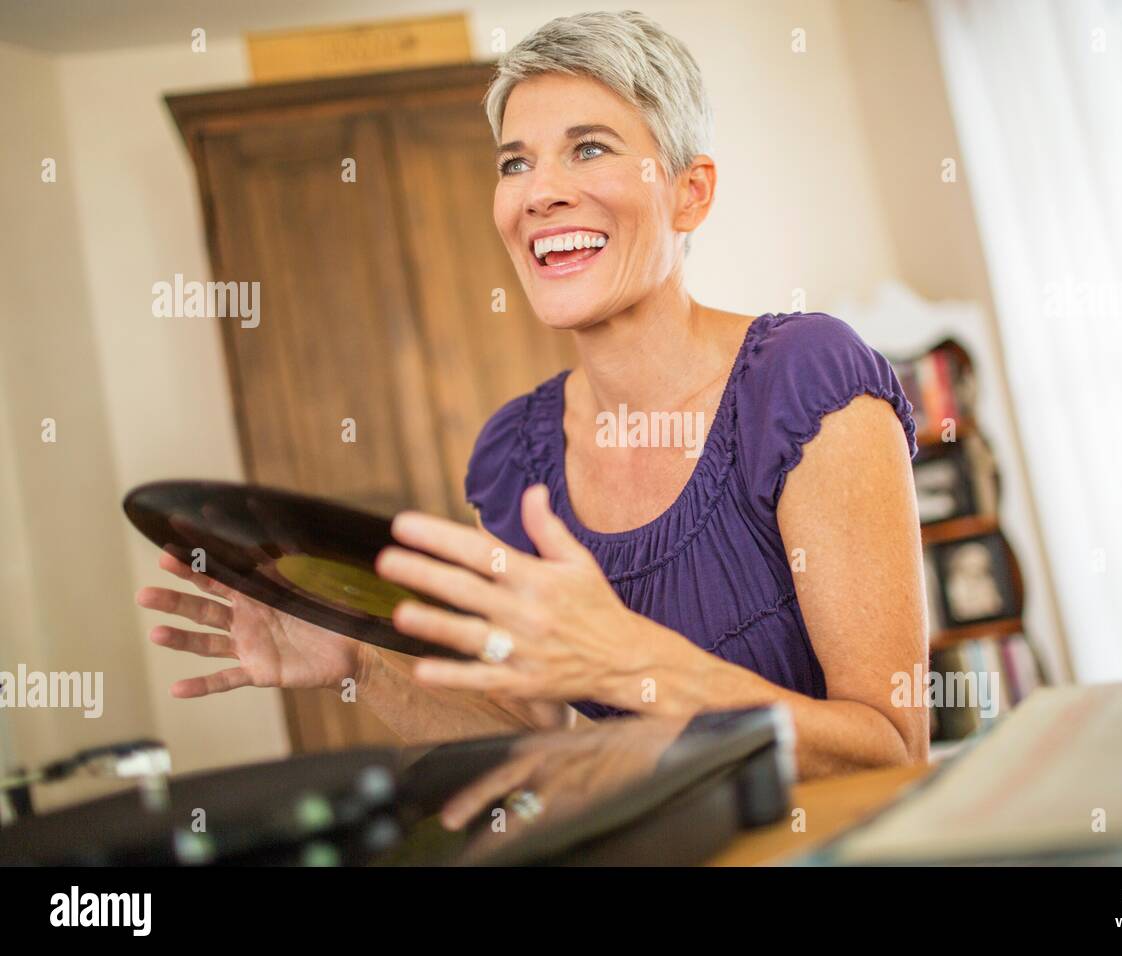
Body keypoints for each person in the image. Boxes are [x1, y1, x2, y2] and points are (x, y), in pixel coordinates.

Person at [138, 11, 928, 780]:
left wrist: (632, 664)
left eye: (589, 148)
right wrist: (363, 662)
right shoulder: (514, 457)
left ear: (690, 193)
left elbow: (891, 744)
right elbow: (534, 750)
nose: (538, 194)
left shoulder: (803, 380)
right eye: (515, 163)